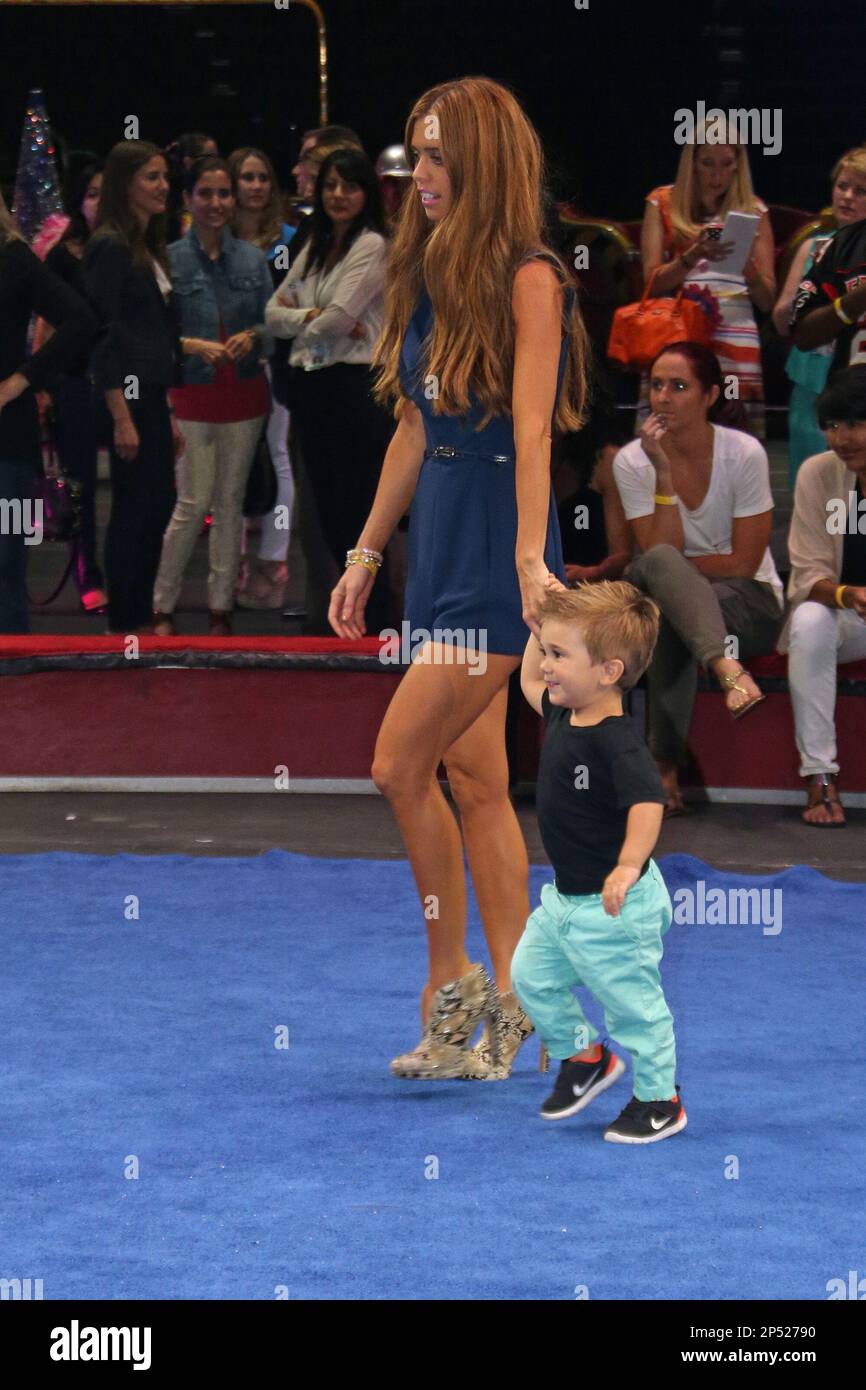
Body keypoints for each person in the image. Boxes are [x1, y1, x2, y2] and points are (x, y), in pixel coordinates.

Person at [328, 77, 589, 1080]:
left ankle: (454, 996)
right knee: (475, 781)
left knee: (399, 764)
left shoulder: (530, 275)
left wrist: (530, 562)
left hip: (492, 551)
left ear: (482, 163)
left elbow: (529, 430)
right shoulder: (427, 264)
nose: (418, 174)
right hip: (437, 545)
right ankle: (519, 1008)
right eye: (414, 155)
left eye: (437, 157)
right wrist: (361, 552)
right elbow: (411, 423)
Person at [511, 583, 686, 1143]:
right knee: (529, 979)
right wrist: (539, 628)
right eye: (548, 651)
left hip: (617, 909)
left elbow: (648, 803)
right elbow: (527, 679)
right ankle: (584, 1058)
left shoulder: (618, 743)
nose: (547, 666)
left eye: (560, 655)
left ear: (609, 671)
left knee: (634, 1011)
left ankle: (661, 1101)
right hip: (562, 902)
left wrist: (628, 865)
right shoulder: (565, 711)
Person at [613, 342, 785, 816]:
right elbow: (657, 550)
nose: (663, 397)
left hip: (751, 604)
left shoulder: (744, 453)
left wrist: (673, 581)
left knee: (666, 593)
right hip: (690, 611)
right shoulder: (633, 460)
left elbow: (743, 564)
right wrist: (662, 472)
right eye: (656, 385)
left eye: (679, 386)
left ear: (710, 395)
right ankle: (727, 673)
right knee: (665, 582)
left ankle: (664, 765)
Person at [266, 146, 395, 633]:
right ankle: (345, 621)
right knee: (330, 517)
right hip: (314, 391)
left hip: (355, 392)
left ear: (367, 193)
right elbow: (273, 314)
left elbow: (341, 317)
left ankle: (374, 619)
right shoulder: (317, 241)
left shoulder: (373, 244)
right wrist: (314, 320)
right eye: (331, 186)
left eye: (350, 185)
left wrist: (317, 321)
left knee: (362, 517)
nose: (339, 195)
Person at [152, 156, 272, 636]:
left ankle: (221, 608)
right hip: (193, 396)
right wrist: (188, 345)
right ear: (187, 200)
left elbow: (273, 324)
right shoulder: (167, 259)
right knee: (192, 501)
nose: (217, 203)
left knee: (230, 502)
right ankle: (163, 605)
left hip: (245, 397)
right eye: (206, 193)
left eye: (224, 193)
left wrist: (255, 336)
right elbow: (153, 334)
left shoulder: (253, 259)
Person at [82, 140, 183, 635]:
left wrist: (167, 410)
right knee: (135, 507)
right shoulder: (110, 246)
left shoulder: (147, 247)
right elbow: (103, 334)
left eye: (164, 176)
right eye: (151, 177)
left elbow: (154, 335)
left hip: (151, 396)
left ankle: (137, 615)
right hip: (127, 397)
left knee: (156, 502)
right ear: (126, 185)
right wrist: (122, 415)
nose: (163, 186)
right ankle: (126, 621)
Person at [641, 123, 775, 437]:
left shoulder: (753, 210)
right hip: (679, 328)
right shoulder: (662, 202)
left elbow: (767, 299)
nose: (717, 174)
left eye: (727, 164)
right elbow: (650, 282)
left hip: (736, 331)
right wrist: (692, 254)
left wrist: (747, 267)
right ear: (693, 163)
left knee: (733, 435)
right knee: (672, 429)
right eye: (708, 164)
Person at [0, 191, 96, 632]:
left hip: (9, 445)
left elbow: (81, 320)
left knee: (6, 570)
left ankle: (15, 688)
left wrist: (24, 379)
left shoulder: (15, 259)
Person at [779, 367, 866, 826]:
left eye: (853, 423)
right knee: (809, 620)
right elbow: (805, 576)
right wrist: (847, 593)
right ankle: (820, 777)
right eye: (832, 426)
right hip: (850, 617)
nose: (841, 437)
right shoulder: (818, 474)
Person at [228, 146, 296, 609]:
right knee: (228, 464)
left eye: (262, 178)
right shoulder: (215, 237)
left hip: (275, 363)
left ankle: (274, 559)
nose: (255, 187)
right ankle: (231, 562)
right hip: (222, 363)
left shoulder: (291, 239)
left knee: (278, 456)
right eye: (246, 178)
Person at [774, 147, 866, 484]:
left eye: (861, 190)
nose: (847, 196)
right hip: (811, 381)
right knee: (814, 483)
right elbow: (781, 321)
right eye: (842, 186)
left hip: (857, 375)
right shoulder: (814, 246)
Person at [41, 157, 109, 611]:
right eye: (92, 193)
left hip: (119, 383)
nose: (100, 203)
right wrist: (42, 387)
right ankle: (87, 573)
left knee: (135, 491)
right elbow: (47, 323)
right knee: (79, 486)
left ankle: (126, 572)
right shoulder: (60, 256)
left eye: (107, 192)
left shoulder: (123, 249)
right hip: (75, 382)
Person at [554, 412, 632, 585]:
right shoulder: (515, 453)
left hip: (593, 593)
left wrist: (593, 572)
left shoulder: (607, 459)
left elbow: (622, 556)